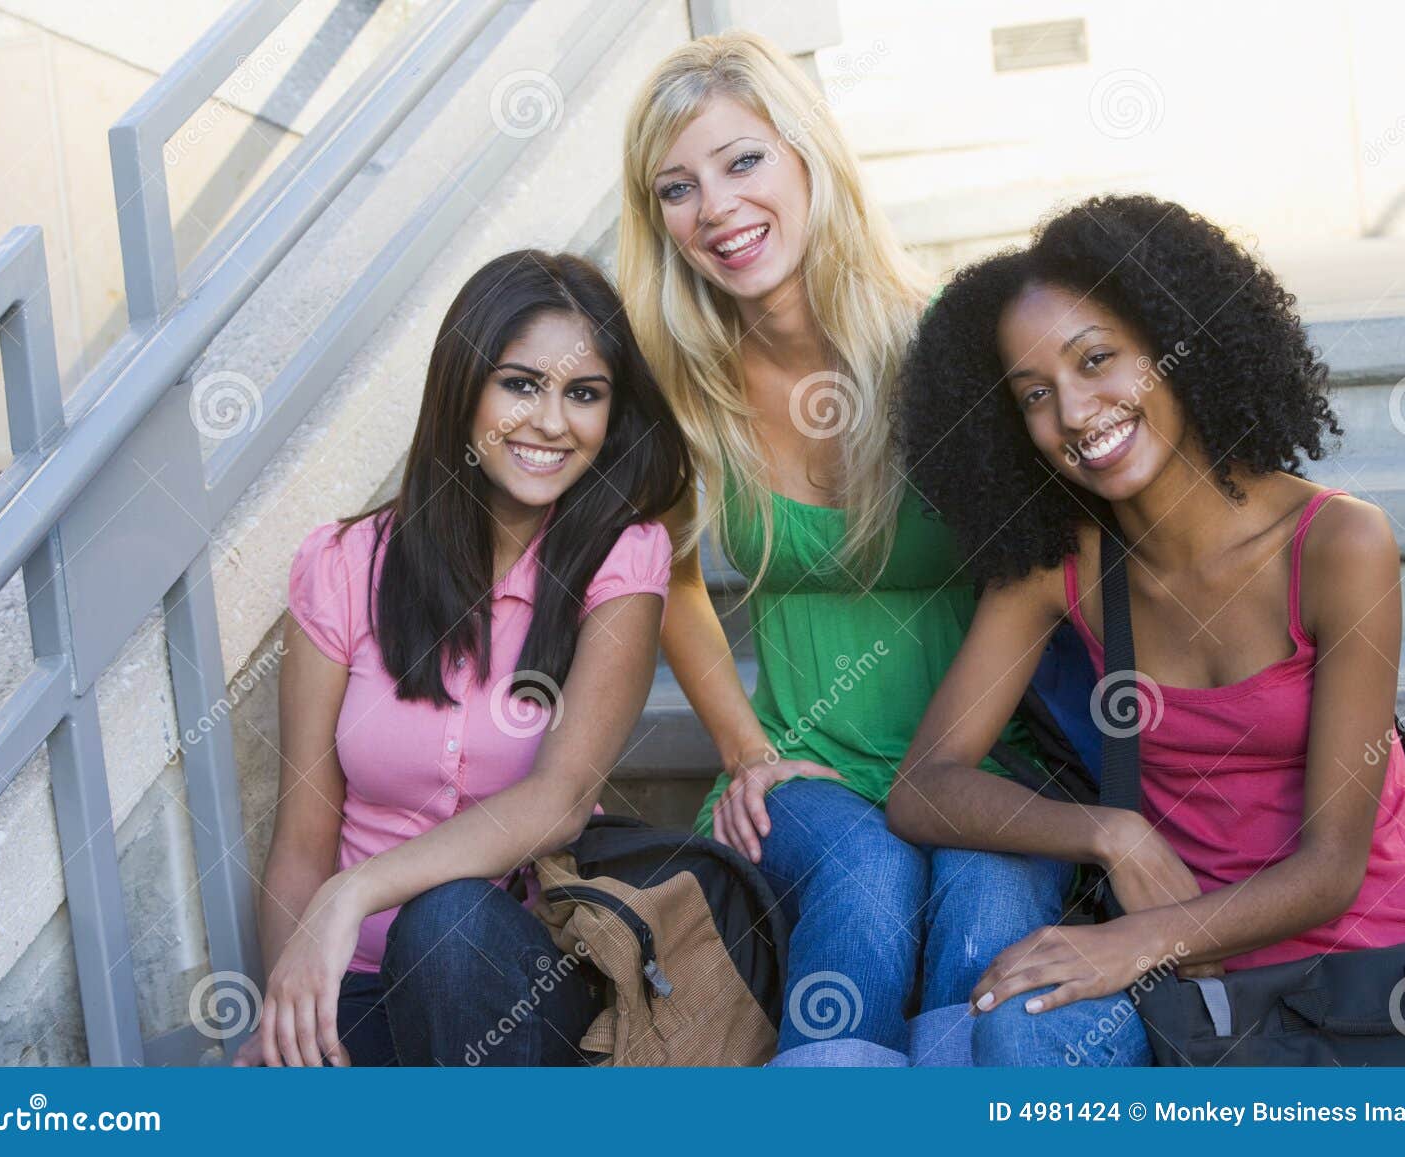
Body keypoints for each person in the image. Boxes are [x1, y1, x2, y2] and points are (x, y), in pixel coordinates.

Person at [889, 194, 1405, 1058]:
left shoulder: (1340, 543)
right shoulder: (1067, 563)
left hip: (1377, 983)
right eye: (1036, 394)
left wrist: (1138, 938)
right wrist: (1110, 831)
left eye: (1098, 361)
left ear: (1173, 343)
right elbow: (924, 785)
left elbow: (1333, 868)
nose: (1077, 413)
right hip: (1195, 1001)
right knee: (999, 1038)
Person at [619, 31, 1097, 1066]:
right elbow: (673, 575)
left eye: (741, 160)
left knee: (982, 928)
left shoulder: (951, 348)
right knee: (867, 879)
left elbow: (1079, 541)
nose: (716, 208)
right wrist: (746, 747)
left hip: (986, 757)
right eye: (676, 187)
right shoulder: (682, 384)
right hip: (808, 764)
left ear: (805, 157)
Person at [237, 250, 689, 1066]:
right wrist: (290, 1011)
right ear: (463, 388)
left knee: (446, 918)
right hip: (363, 990)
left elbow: (560, 797)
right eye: (521, 384)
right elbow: (304, 833)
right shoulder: (342, 565)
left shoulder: (621, 560)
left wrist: (357, 890)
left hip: (520, 984)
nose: (552, 421)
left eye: (583, 394)